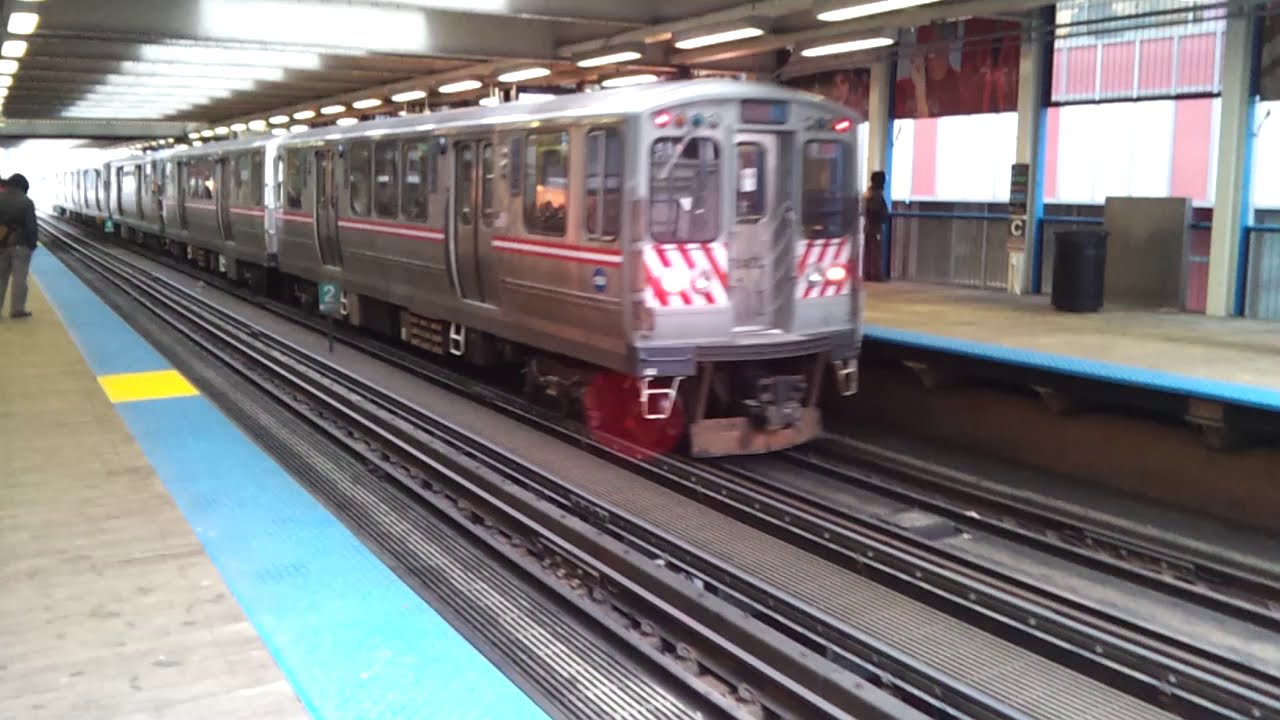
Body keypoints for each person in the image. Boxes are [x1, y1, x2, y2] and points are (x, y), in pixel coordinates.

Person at [0, 172, 40, 319]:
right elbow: (31, 226)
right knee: (19, 278)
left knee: (1, 278)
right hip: (21, 245)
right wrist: (32, 244)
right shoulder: (26, 202)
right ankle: (17, 310)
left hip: (1, 244)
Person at [862, 171, 889, 282]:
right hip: (875, 226)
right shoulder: (877, 194)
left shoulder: (869, 193)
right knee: (876, 251)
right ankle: (876, 275)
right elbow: (876, 210)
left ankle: (868, 273)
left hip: (868, 226)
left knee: (869, 251)